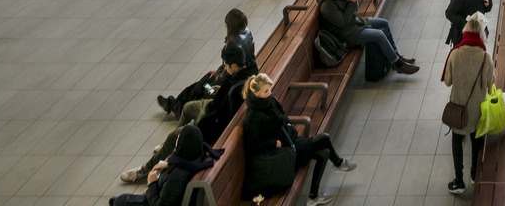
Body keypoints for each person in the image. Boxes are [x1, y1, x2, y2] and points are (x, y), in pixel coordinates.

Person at [124, 45, 252, 184]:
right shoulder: (243, 73)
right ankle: (172, 144)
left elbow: (224, 117)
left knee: (173, 136)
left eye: (226, 66)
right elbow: (224, 101)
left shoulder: (238, 89)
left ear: (234, 66)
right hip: (212, 106)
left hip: (212, 121)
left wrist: (198, 124)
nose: (225, 69)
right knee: (187, 107)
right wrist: (221, 90)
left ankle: (146, 170)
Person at [242, 73, 354, 205]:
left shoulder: (269, 102)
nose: (270, 93)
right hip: (283, 153)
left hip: (291, 142)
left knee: (324, 153)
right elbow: (252, 145)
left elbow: (282, 117)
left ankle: (313, 197)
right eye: (266, 91)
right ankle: (339, 163)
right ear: (255, 93)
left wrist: (288, 126)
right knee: (324, 138)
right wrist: (274, 143)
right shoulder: (253, 116)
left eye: (270, 89)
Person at [317, 0, 419, 75]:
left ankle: (396, 55)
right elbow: (342, 23)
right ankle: (398, 65)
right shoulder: (327, 5)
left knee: (383, 23)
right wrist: (352, 3)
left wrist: (353, 2)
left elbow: (353, 12)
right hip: (346, 35)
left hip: (354, 23)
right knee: (379, 35)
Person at [443, 11, 494, 195]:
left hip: (459, 108)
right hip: (477, 109)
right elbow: (490, 84)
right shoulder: (485, 57)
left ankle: (458, 181)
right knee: (476, 141)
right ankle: (474, 174)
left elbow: (448, 81)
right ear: (481, 33)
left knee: (457, 141)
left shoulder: (455, 53)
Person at [118, 123, 219, 205]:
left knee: (120, 201)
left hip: (161, 199)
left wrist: (151, 183)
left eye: (179, 137)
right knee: (121, 200)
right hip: (169, 194)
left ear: (183, 144)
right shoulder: (197, 155)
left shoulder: (176, 176)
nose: (177, 138)